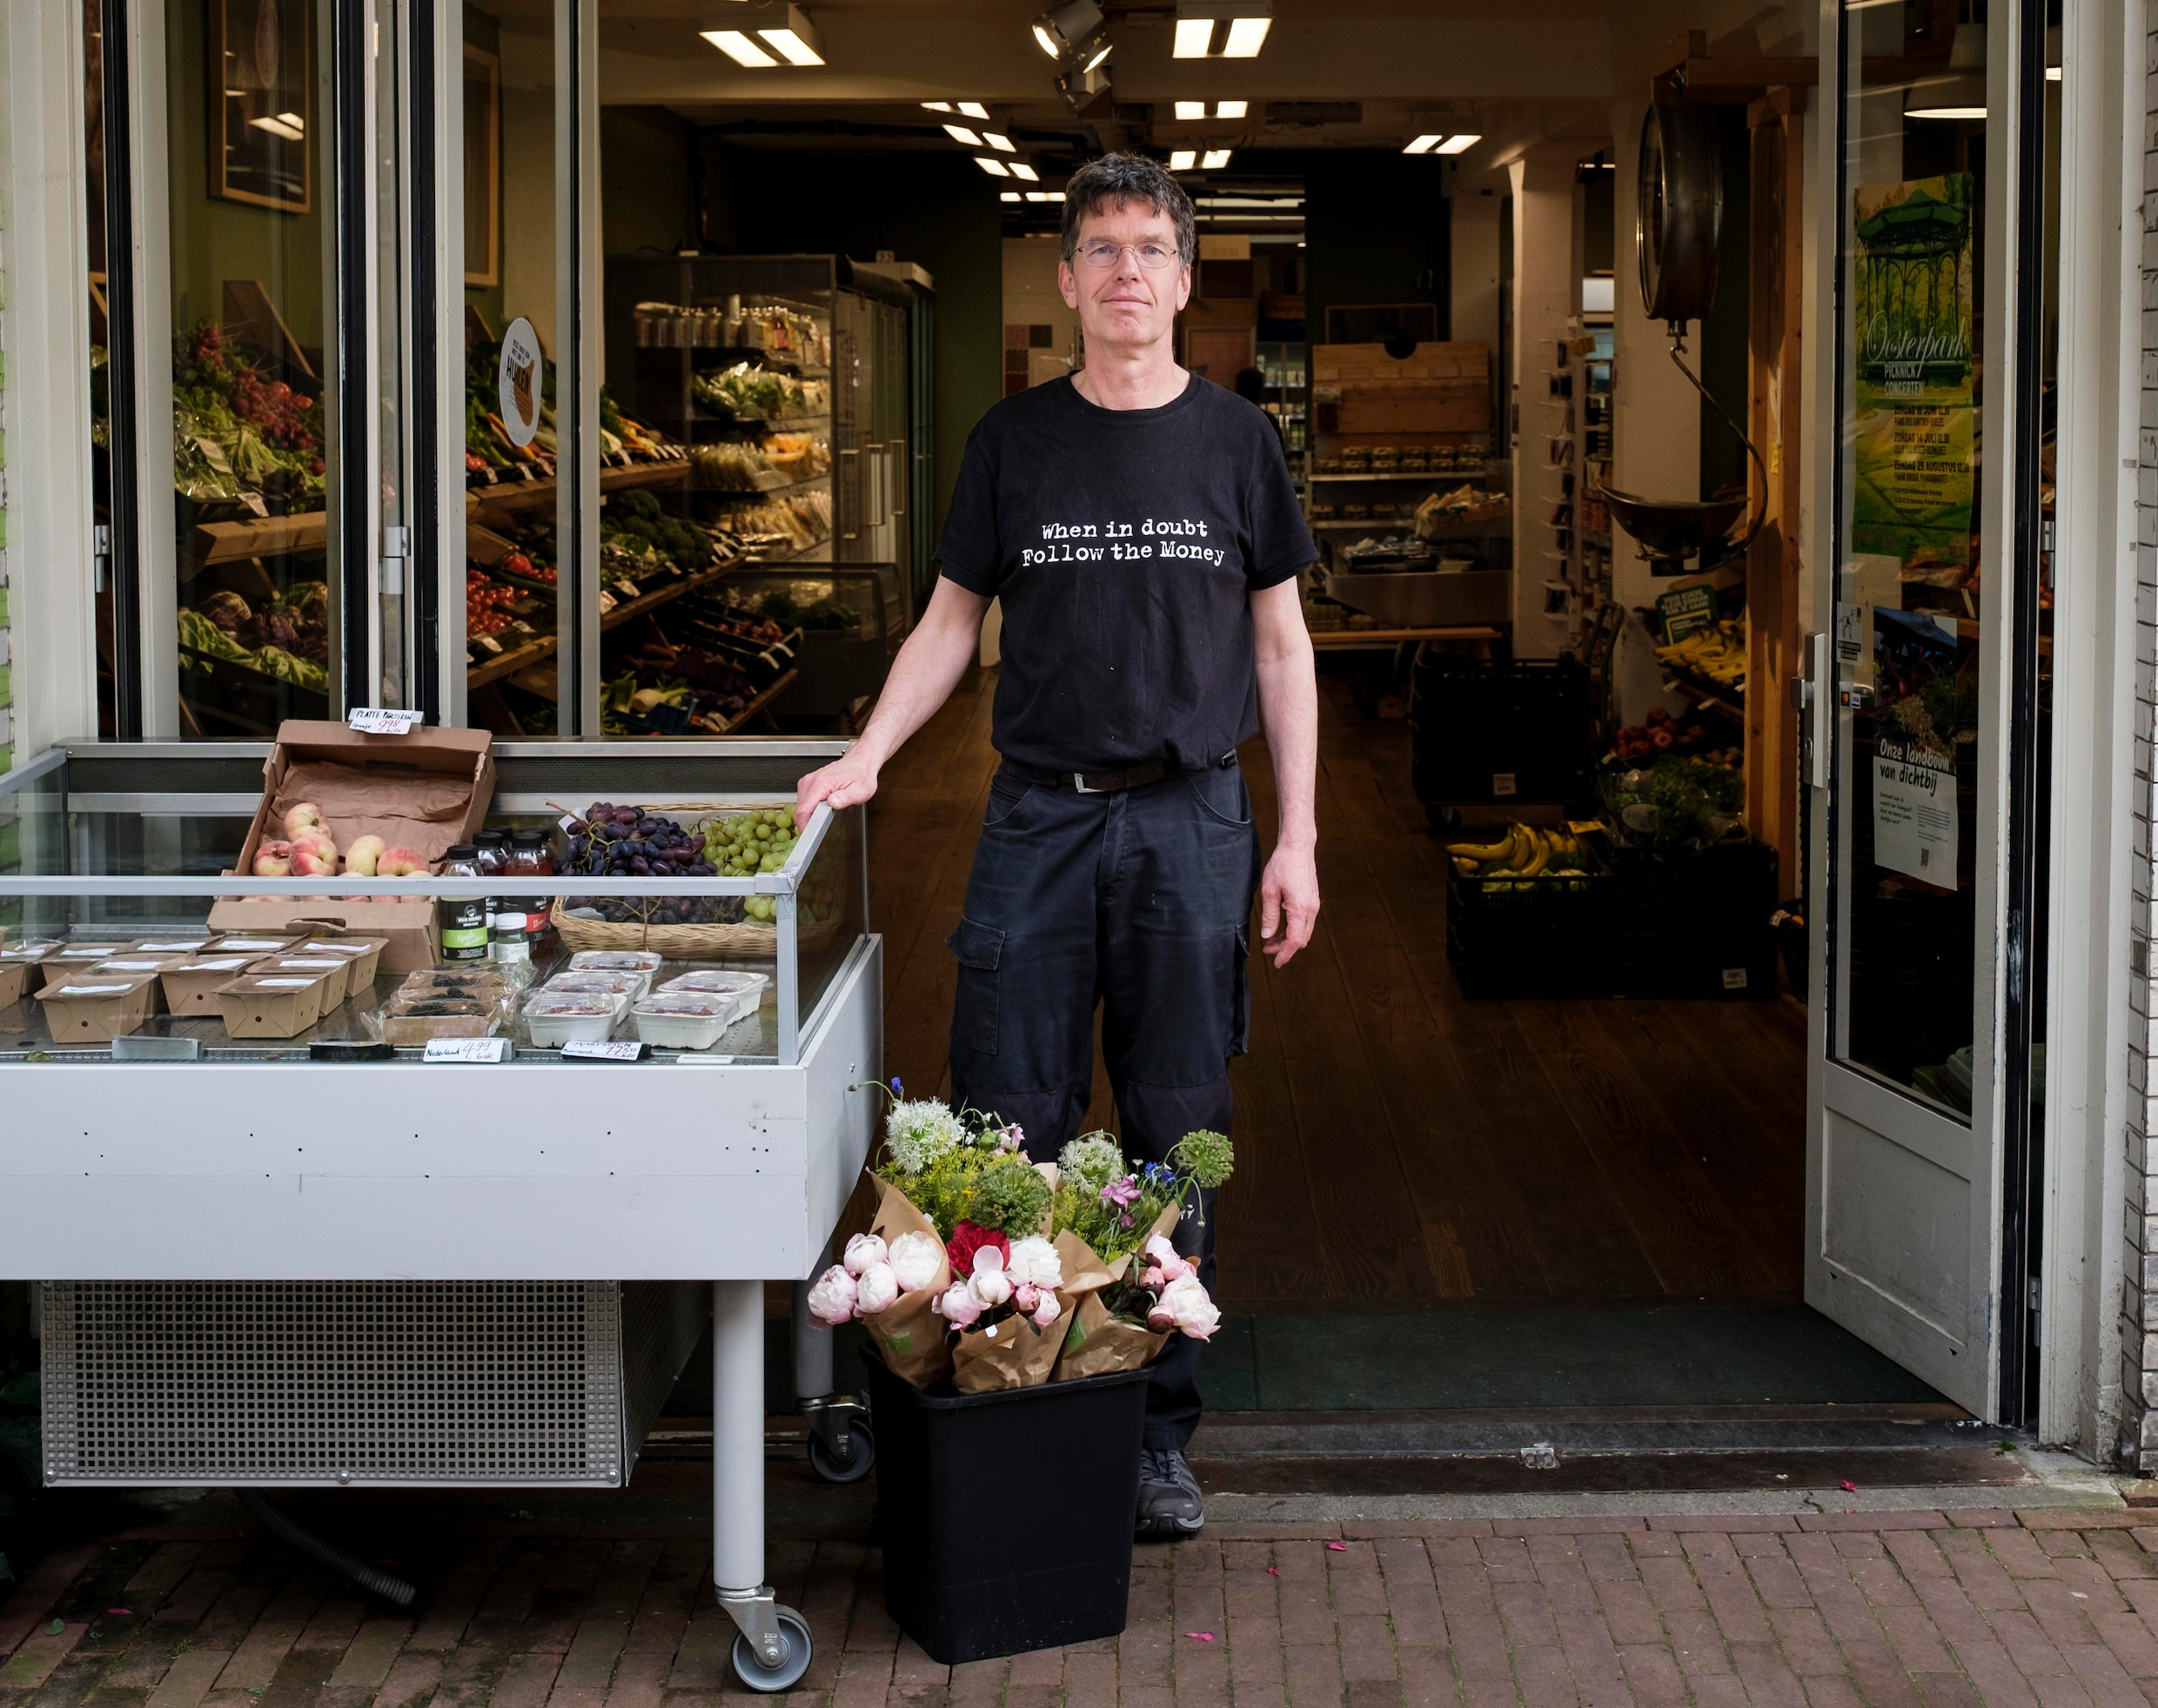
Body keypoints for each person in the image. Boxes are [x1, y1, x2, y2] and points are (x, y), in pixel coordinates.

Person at [795, 152, 1320, 1538]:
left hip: (1190, 820)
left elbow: (1282, 643)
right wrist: (868, 754)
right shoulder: (1012, 443)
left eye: (1152, 248)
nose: (1127, 272)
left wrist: (1301, 837)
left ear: (1186, 278)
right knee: (1006, 1123)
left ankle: (1155, 1435)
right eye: (1102, 250)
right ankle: (1003, 1397)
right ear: (1072, 278)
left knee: (1170, 1135)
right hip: (1038, 815)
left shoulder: (1237, 444)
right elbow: (950, 622)